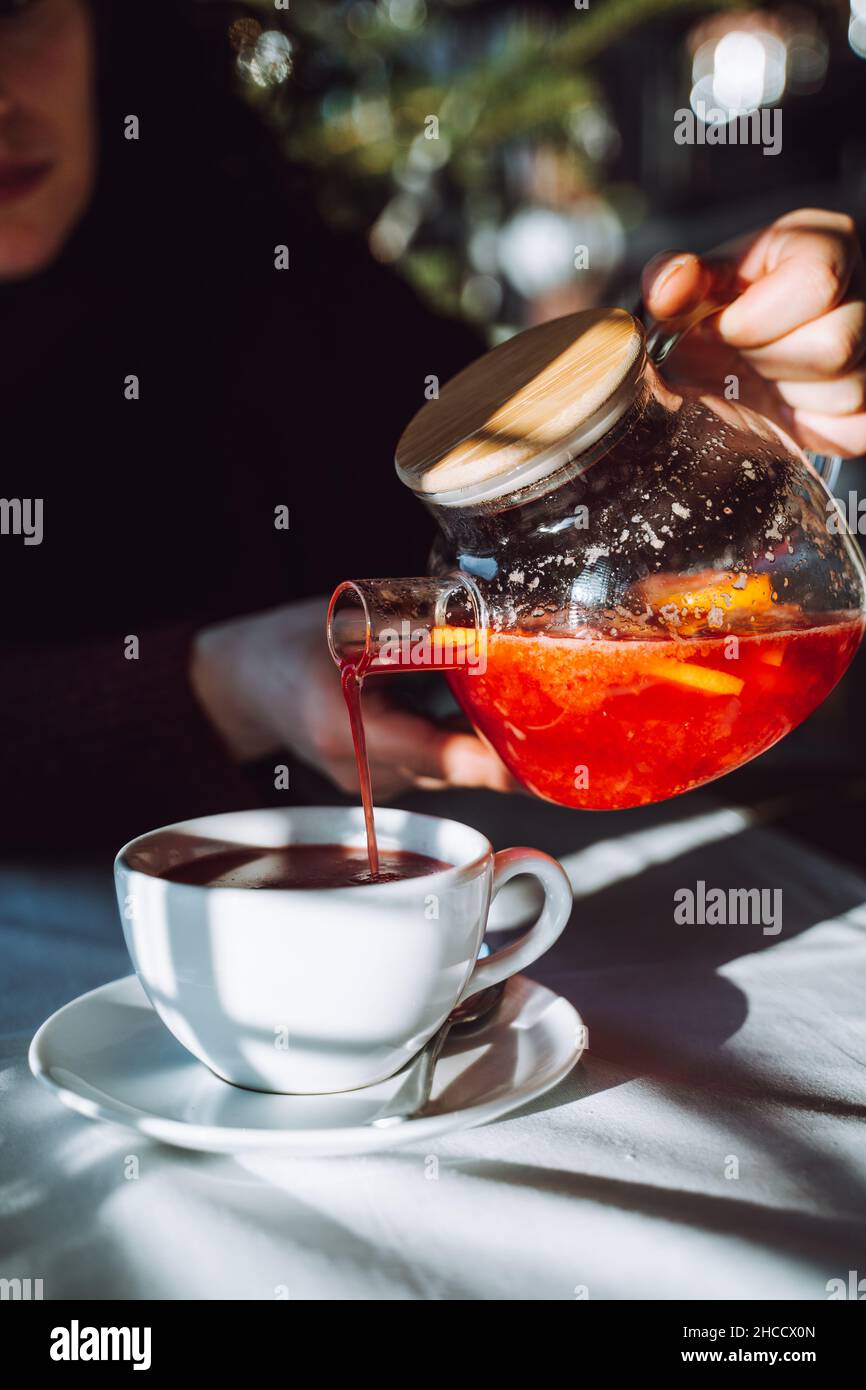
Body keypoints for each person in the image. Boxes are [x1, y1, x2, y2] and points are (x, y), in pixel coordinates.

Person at [2, 0, 864, 849]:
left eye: (12, 12)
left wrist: (748, 384)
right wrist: (215, 688)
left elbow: (496, 457)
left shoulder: (263, 272)